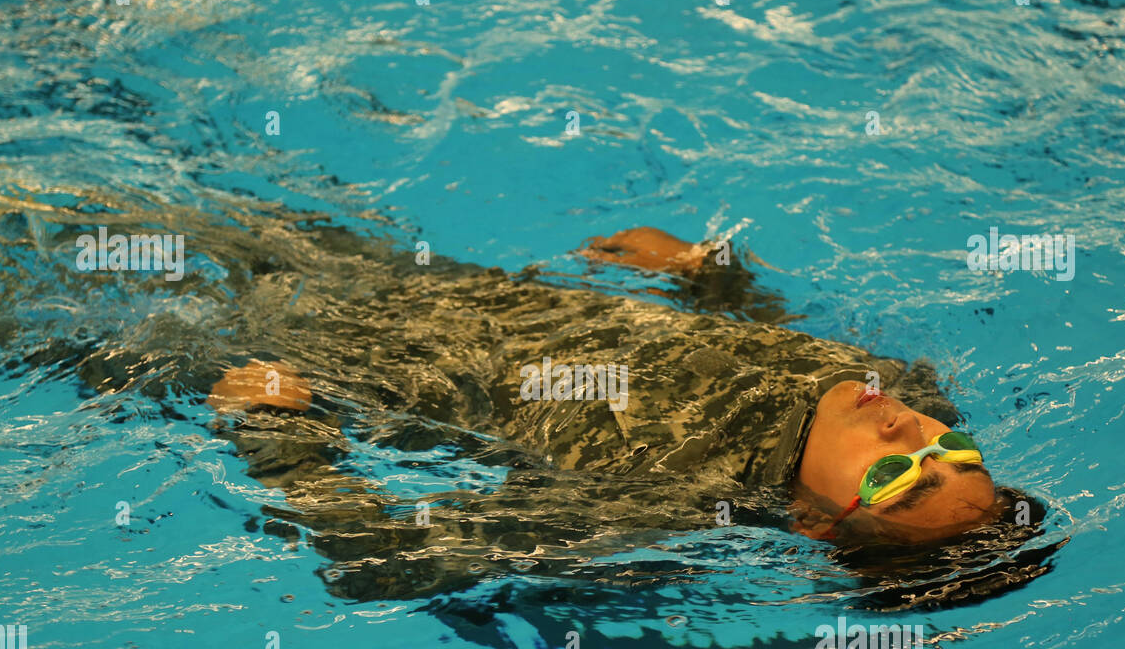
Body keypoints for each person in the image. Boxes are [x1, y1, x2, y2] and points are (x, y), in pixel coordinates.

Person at [186, 225, 1032, 601]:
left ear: (814, 523)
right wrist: (710, 279)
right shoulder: (888, 384)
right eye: (951, 448)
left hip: (321, 353)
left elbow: (386, 564)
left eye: (893, 476)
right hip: (434, 282)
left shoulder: (657, 503)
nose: (908, 431)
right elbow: (773, 336)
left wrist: (280, 438)